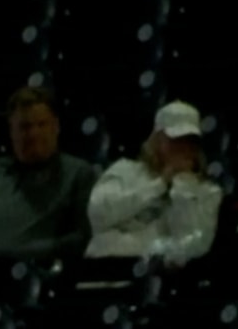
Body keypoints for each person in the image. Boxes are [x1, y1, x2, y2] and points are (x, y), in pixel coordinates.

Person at [0, 86, 98, 262]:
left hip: (24, 274)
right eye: (25, 127)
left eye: (41, 124)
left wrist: (14, 254)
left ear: (56, 127)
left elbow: (83, 238)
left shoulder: (78, 173)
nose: (34, 134)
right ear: (11, 131)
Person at [85, 100, 223, 267]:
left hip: (153, 278)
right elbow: (98, 215)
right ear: (156, 140)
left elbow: (193, 244)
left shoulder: (207, 192)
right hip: (100, 270)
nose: (182, 147)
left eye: (189, 141)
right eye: (174, 139)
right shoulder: (124, 170)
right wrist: (159, 185)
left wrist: (183, 185)